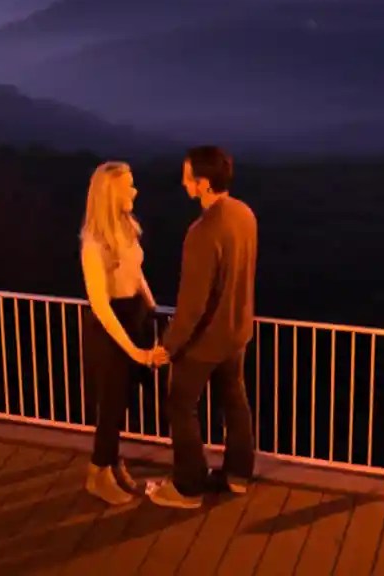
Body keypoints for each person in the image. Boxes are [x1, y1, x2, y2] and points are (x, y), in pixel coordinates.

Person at [147, 146, 258, 509]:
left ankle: (188, 487)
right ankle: (238, 475)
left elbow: (192, 305)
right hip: (237, 334)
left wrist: (168, 345)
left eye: (187, 176)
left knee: (180, 404)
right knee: (234, 400)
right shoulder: (245, 215)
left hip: (205, 342)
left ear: (204, 184)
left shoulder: (202, 232)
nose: (183, 183)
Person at [79, 161, 159, 505]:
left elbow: (135, 269)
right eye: (128, 186)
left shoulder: (126, 227)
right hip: (111, 326)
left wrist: (152, 304)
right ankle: (97, 473)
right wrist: (134, 351)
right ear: (111, 194)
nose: (135, 191)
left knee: (122, 401)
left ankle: (112, 463)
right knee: (110, 405)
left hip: (135, 315)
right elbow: (100, 305)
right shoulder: (93, 244)